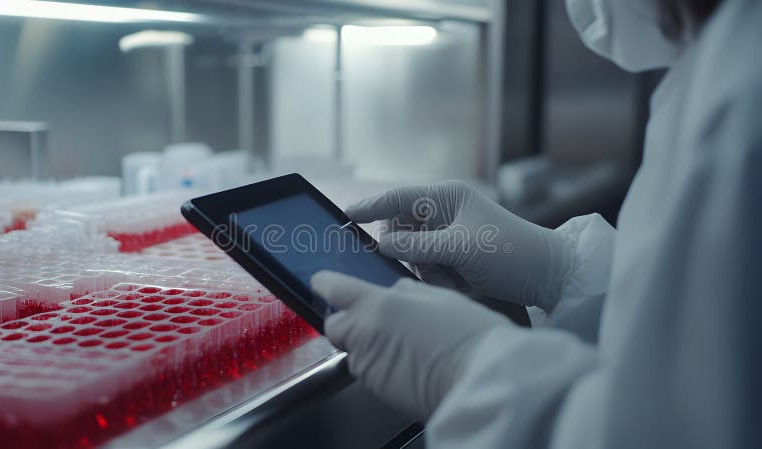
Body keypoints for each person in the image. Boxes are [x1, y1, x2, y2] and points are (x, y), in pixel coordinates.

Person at [310, 0, 761, 447]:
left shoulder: (743, 90)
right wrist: (562, 269)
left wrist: (473, 371)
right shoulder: (722, 60)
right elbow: (703, 324)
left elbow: (668, 432)